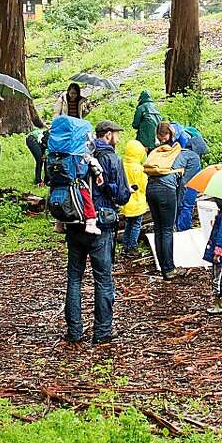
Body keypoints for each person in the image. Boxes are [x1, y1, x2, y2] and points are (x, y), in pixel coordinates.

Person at [60, 118, 126, 346]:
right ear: (107, 134)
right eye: (117, 133)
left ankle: (74, 331)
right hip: (101, 226)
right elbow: (122, 196)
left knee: (74, 279)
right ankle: (102, 332)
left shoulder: (74, 155)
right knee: (103, 280)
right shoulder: (111, 159)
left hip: (74, 223)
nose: (118, 137)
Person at [143, 124, 185, 279]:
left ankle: (163, 265)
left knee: (158, 228)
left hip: (151, 188)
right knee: (167, 229)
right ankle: (169, 269)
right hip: (166, 190)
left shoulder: (155, 152)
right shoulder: (176, 151)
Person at [118, 130, 150, 262]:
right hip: (137, 201)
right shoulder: (139, 168)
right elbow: (143, 185)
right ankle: (132, 247)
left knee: (128, 224)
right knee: (136, 225)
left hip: (126, 202)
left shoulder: (122, 164)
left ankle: (125, 247)